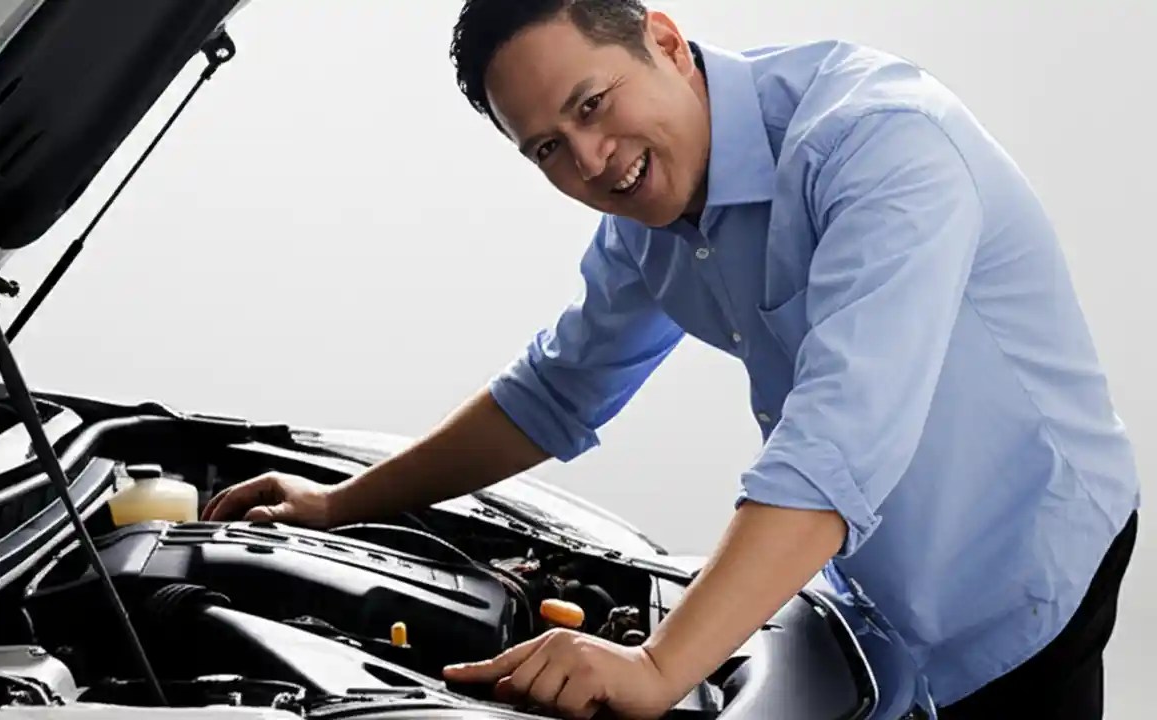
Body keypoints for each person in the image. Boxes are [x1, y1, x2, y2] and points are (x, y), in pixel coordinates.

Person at [203, 1, 1141, 718]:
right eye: (547, 149)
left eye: (592, 105)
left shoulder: (880, 147)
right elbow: (554, 391)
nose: (591, 161)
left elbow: (835, 448)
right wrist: (338, 505)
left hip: (1019, 575)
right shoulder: (651, 215)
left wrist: (658, 669)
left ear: (664, 39)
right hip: (871, 585)